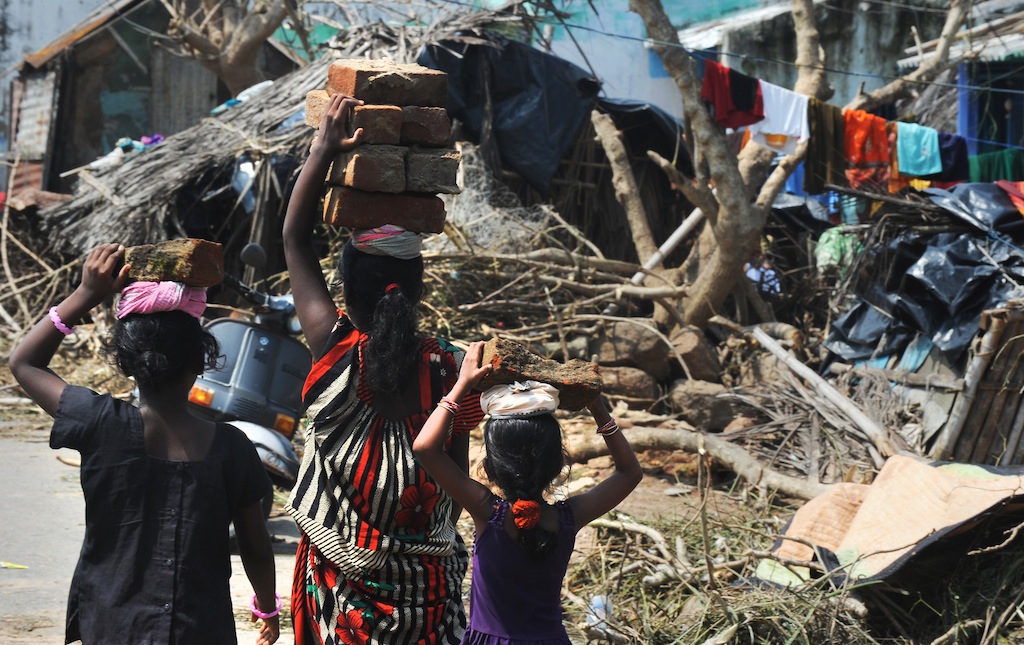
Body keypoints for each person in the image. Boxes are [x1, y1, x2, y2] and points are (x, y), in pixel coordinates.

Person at [283, 92, 485, 644]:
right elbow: (456, 484)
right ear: (418, 292)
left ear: (347, 292)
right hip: (428, 596)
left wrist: (323, 149)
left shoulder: (336, 354)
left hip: (344, 596)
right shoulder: (453, 368)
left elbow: (294, 240)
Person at [8, 243, 281, 645]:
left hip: (112, 626)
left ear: (124, 361)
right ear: (201, 362)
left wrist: (87, 293)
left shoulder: (99, 422)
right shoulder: (233, 447)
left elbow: (25, 363)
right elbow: (255, 549)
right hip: (199, 631)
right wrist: (267, 609)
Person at [413, 342, 643, 644]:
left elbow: (425, 448)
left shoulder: (486, 511)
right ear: (560, 463)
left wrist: (461, 386)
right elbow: (630, 473)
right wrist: (596, 407)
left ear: (489, 467)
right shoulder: (570, 518)